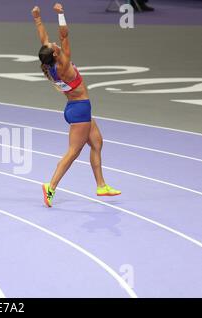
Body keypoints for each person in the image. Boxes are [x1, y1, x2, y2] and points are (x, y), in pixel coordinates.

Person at [31, 3, 121, 208]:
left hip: (77, 108)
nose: (54, 44)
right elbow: (64, 35)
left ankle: (101, 185)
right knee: (73, 153)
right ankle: (50, 186)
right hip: (80, 109)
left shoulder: (49, 65)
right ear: (56, 55)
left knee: (97, 143)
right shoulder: (64, 65)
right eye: (54, 47)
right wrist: (61, 14)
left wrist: (38, 18)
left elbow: (44, 39)